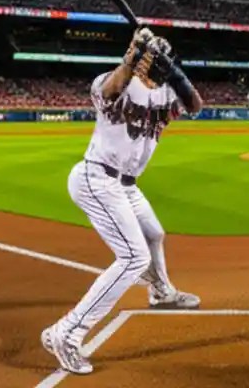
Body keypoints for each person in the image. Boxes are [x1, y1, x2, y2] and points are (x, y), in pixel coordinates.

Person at [41, 27, 204, 376]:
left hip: (127, 185)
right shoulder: (117, 81)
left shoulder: (164, 95)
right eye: (155, 57)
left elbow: (195, 104)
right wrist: (131, 57)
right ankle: (66, 332)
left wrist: (176, 72)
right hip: (96, 178)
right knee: (133, 257)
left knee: (154, 234)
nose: (158, 63)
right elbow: (109, 88)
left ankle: (161, 291)